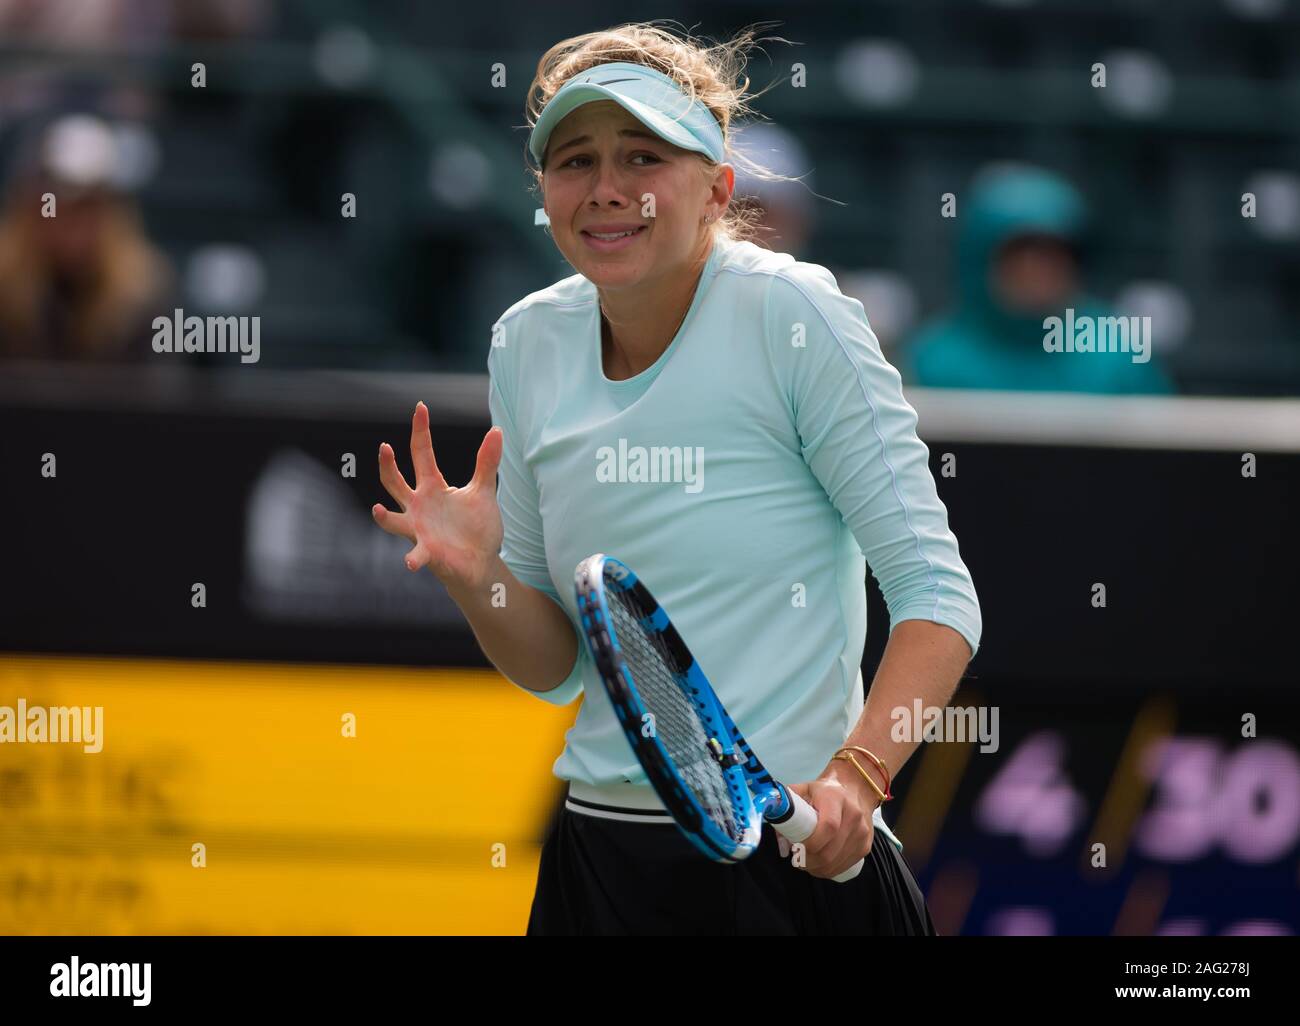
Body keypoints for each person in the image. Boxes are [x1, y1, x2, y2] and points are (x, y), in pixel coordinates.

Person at [371, 22, 980, 935]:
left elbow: (938, 596)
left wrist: (861, 772)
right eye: (574, 160)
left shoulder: (795, 314)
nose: (607, 189)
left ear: (717, 188)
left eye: (644, 156)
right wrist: (479, 580)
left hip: (794, 864)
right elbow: (557, 668)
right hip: (600, 871)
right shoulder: (526, 341)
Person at [902, 163, 1174, 394]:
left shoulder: (1119, 356)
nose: (1039, 273)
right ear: (982, 264)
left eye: (1054, 255)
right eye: (1020, 257)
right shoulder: (932, 361)